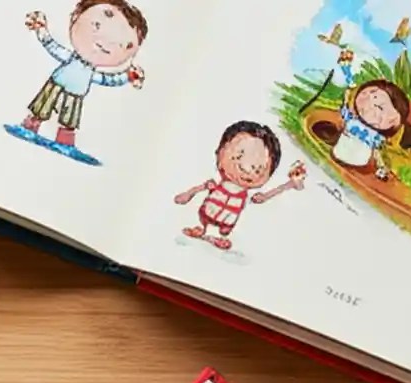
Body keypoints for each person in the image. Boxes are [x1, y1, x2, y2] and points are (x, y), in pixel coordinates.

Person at [19, 0, 147, 150]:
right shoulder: (72, 59)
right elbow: (52, 46)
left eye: (124, 45)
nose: (105, 43)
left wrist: (127, 77)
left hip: (76, 93)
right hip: (57, 83)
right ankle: (30, 125)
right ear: (76, 17)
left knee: (69, 120)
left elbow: (108, 80)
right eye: (96, 25)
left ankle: (64, 141)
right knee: (41, 107)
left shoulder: (90, 72)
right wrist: (41, 30)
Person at [174, 121, 307, 250]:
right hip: (211, 208)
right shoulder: (215, 184)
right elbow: (201, 188)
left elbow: (270, 194)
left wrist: (285, 187)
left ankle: (216, 236)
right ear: (220, 152)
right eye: (238, 157)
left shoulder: (246, 196)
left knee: (225, 227)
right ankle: (201, 228)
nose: (247, 170)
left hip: (229, 216)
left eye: (257, 169)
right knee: (206, 215)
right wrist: (188, 194)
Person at [312, 51, 411, 180]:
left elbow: (377, 152)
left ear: (393, 121)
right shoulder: (353, 119)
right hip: (339, 152)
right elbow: (349, 94)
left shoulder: (374, 135)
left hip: (358, 161)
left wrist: (382, 168)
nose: (369, 105)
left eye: (380, 107)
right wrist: (346, 69)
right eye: (369, 94)